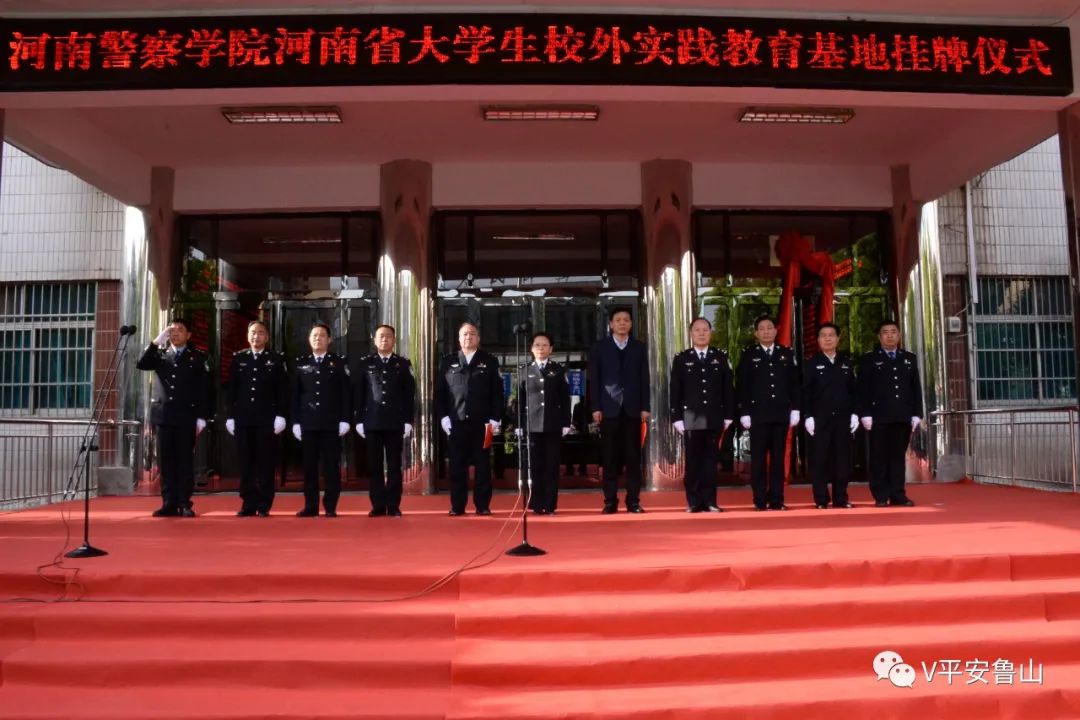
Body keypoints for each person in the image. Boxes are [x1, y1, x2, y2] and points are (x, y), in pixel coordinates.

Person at [136, 317, 210, 518]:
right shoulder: (160, 355)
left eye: (180, 329)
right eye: (172, 330)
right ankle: (168, 502)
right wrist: (155, 343)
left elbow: (203, 389)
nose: (175, 333)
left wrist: (202, 416)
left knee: (185, 461)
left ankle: (185, 502)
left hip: (186, 416)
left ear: (189, 335)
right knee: (166, 462)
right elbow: (142, 364)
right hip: (164, 416)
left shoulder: (198, 357)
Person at [437, 322, 503, 516]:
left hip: (484, 424)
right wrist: (443, 418)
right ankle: (457, 505)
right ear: (459, 339)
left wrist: (495, 418)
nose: (468, 337)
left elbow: (497, 393)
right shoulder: (448, 361)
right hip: (456, 423)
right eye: (465, 334)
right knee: (457, 466)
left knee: (483, 466)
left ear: (478, 338)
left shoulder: (489, 361)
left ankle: (482, 505)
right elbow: (441, 393)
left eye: (472, 334)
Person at [588, 308, 650, 514]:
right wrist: (595, 407)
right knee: (610, 458)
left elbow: (644, 379)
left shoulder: (639, 348)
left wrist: (645, 407)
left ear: (631, 324)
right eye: (618, 320)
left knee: (633, 458)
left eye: (626, 320)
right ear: (611, 325)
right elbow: (594, 380)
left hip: (633, 409)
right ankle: (610, 501)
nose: (622, 323)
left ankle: (633, 501)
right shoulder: (600, 348)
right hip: (609, 408)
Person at [224, 320, 289, 517]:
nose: (256, 336)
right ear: (247, 336)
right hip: (243, 419)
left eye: (260, 333)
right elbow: (231, 390)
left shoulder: (276, 359)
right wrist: (230, 416)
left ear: (267, 337)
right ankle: (248, 503)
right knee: (246, 463)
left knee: (265, 463)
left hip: (266, 420)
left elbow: (283, 390)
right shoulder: (239, 358)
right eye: (252, 332)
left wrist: (281, 416)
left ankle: (264, 504)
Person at [669, 317, 734, 513]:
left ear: (710, 333)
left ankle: (710, 501)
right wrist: (677, 417)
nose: (701, 333)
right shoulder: (682, 358)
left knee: (711, 462)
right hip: (691, 418)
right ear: (691, 334)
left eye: (705, 330)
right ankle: (694, 501)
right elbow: (675, 390)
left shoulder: (720, 357)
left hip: (714, 417)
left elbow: (728, 389)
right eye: (697, 330)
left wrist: (728, 414)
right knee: (693, 461)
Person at [736, 315, 800, 511]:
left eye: (769, 328)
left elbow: (795, 384)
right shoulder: (749, 355)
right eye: (761, 328)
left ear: (776, 331)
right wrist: (744, 411)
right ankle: (760, 499)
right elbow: (742, 386)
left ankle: (777, 499)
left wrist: (795, 408)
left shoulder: (786, 354)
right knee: (758, 460)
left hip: (780, 414)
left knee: (778, 459)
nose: (766, 331)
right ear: (756, 333)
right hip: (758, 415)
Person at [857, 320, 924, 507]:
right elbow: (863, 389)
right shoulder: (869, 359)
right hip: (878, 417)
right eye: (885, 332)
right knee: (879, 457)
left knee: (897, 457)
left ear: (899, 335)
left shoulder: (908, 358)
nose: (889, 335)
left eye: (893, 332)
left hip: (902, 416)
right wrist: (865, 414)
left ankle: (898, 493)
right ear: (879, 337)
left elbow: (915, 388)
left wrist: (917, 413)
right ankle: (880, 494)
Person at [354, 324, 415, 517]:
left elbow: (409, 395)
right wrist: (358, 420)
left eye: (388, 337)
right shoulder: (365, 363)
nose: (384, 340)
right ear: (374, 340)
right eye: (381, 336)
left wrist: (408, 420)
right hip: (372, 421)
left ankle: (394, 504)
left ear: (394, 340)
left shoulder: (403, 364)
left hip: (395, 421)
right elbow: (359, 394)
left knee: (395, 466)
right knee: (375, 465)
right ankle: (378, 504)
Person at [291, 323, 351, 517]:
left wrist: (345, 419)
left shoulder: (339, 362)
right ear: (309, 340)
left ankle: (331, 506)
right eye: (314, 336)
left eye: (322, 335)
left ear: (329, 339)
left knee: (331, 467)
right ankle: (310, 505)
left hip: (331, 423)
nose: (318, 338)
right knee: (309, 467)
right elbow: (295, 395)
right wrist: (295, 422)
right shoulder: (300, 363)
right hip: (308, 423)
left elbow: (345, 394)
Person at [802, 322, 858, 509]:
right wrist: (807, 416)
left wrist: (855, 414)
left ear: (838, 338)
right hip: (819, 420)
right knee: (819, 460)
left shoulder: (846, 363)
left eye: (831, 335)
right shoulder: (811, 364)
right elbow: (805, 393)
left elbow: (853, 391)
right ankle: (821, 499)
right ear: (818, 340)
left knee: (842, 460)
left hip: (842, 419)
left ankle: (841, 498)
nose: (827, 338)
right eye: (823, 335)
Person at [517, 332, 571, 515]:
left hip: (552, 425)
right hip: (531, 425)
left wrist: (566, 422)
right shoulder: (524, 371)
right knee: (534, 466)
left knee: (551, 466)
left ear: (551, 349)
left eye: (545, 345)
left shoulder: (558, 370)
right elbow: (518, 400)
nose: (541, 348)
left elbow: (565, 399)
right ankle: (535, 503)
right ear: (532, 349)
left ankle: (549, 505)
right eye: (537, 345)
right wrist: (518, 424)